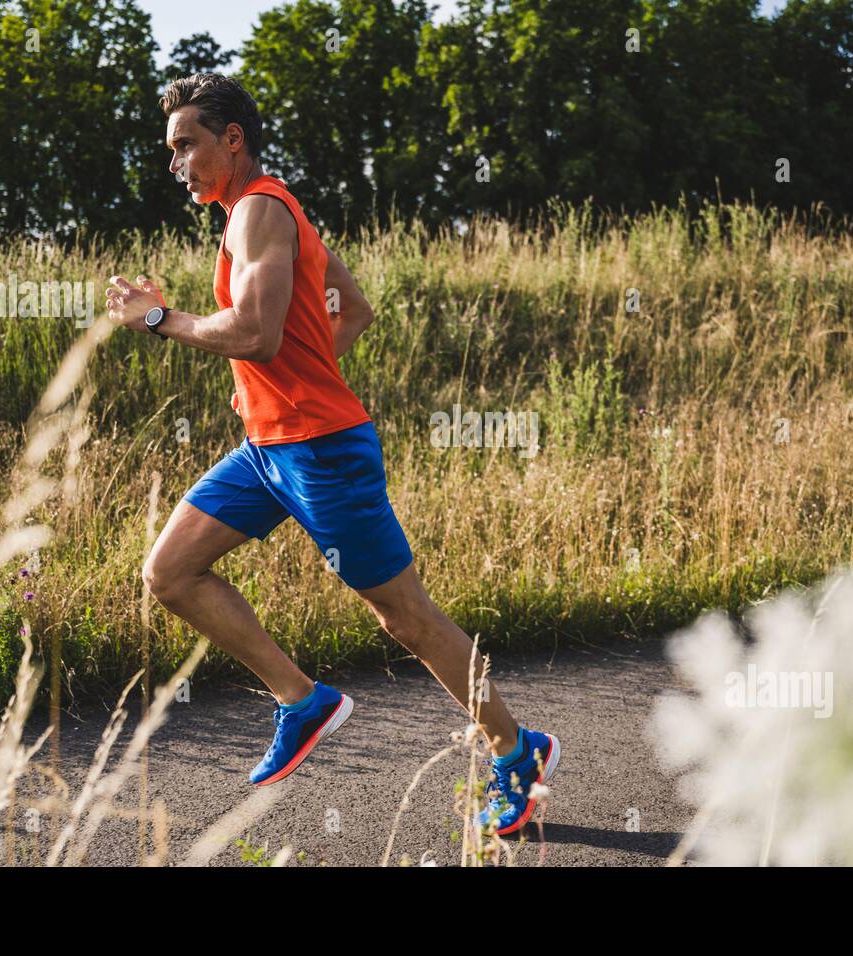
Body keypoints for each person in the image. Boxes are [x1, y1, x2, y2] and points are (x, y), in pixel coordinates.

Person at [104, 73, 559, 837]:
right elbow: (351, 308)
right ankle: (302, 699)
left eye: (187, 144)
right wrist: (283, 387)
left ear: (232, 140)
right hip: (268, 448)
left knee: (405, 618)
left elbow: (254, 332)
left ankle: (517, 750)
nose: (175, 162)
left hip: (321, 453)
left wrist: (160, 318)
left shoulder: (257, 212)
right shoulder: (270, 212)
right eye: (171, 149)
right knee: (170, 571)